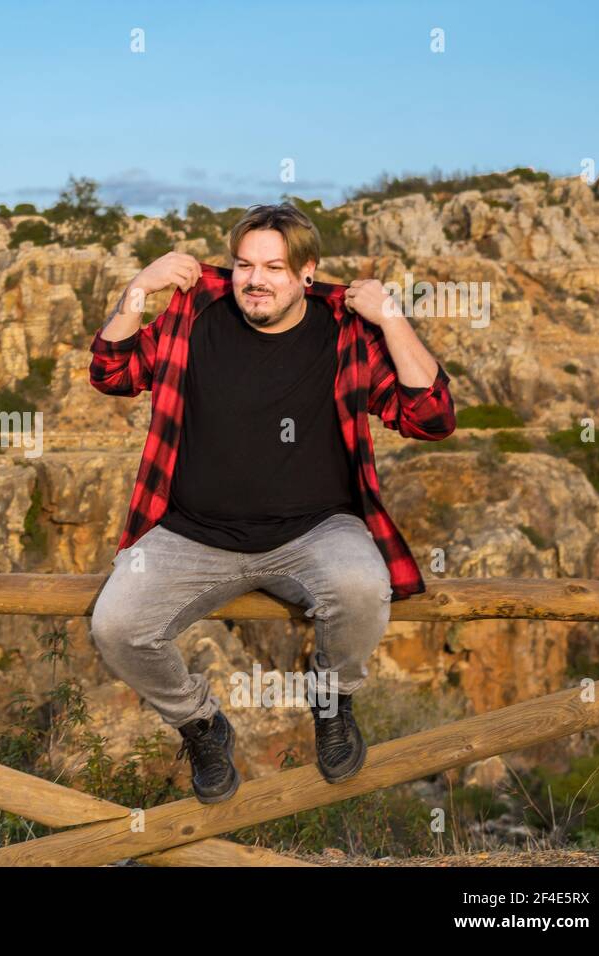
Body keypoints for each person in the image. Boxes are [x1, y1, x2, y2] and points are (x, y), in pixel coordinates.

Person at [87, 203, 456, 802]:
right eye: (244, 265)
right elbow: (111, 373)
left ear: (307, 274)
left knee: (363, 586)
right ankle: (201, 725)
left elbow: (431, 417)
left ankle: (332, 701)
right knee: (117, 626)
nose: (256, 280)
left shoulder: (346, 335)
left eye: (275, 268)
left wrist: (391, 318)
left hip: (316, 531)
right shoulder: (194, 318)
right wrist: (137, 289)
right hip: (191, 533)